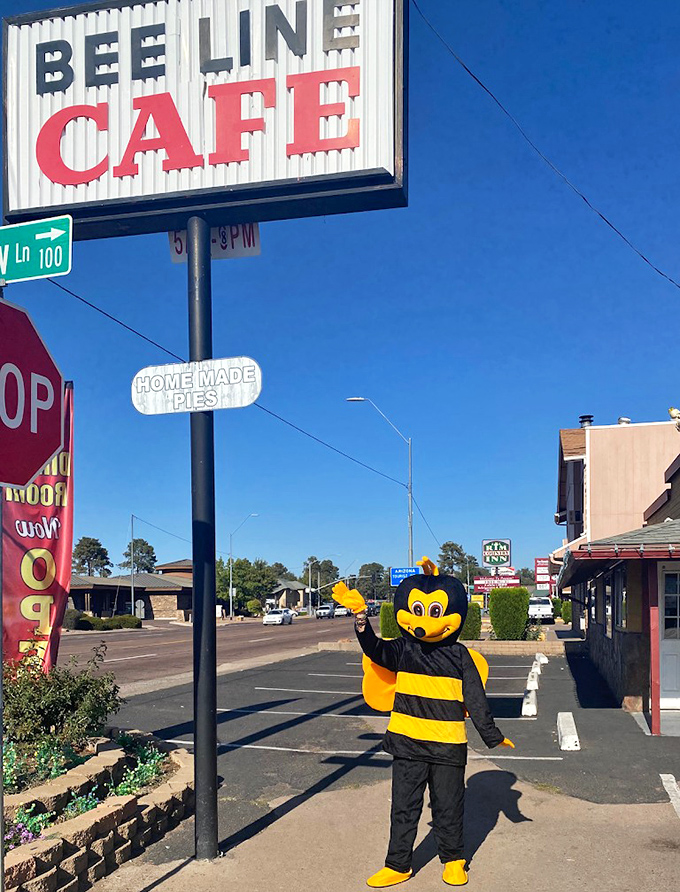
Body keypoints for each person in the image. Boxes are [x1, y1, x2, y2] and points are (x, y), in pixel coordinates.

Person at [332, 557, 514, 888]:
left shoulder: (460, 656)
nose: (424, 623)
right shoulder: (404, 649)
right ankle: (398, 864)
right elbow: (375, 651)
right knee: (404, 807)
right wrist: (361, 619)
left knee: (449, 807)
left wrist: (492, 735)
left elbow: (475, 698)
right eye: (418, 611)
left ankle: (454, 859)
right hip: (407, 742)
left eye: (434, 613)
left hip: (447, 746)